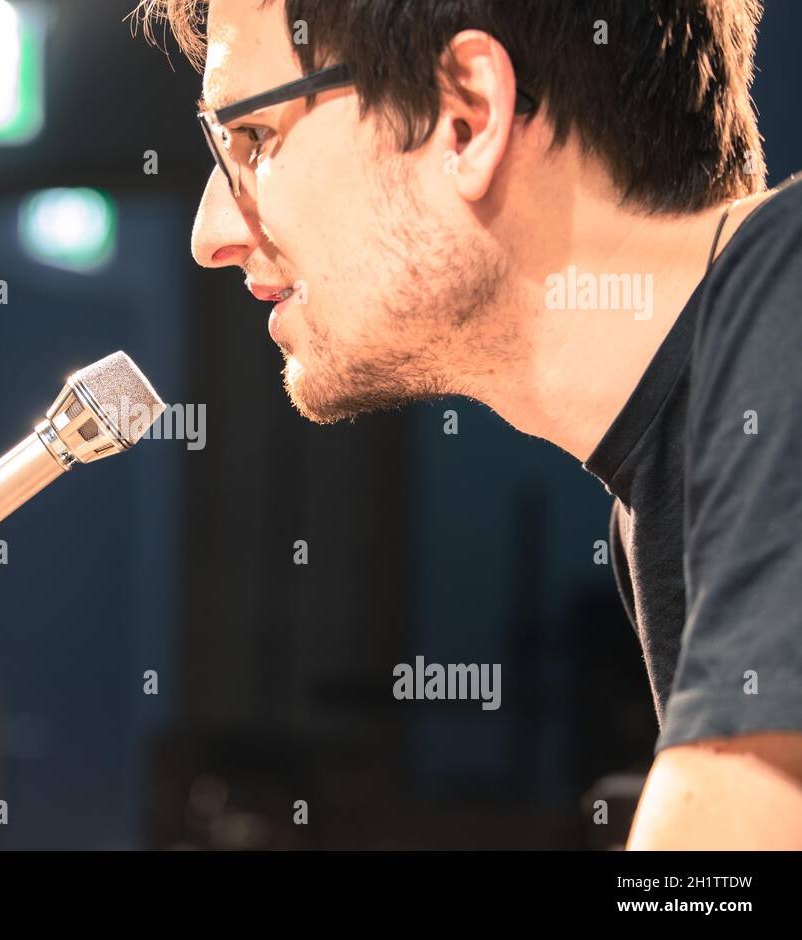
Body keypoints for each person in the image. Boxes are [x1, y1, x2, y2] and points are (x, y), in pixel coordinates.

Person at [133, 0, 802, 848]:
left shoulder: (790, 305)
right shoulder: (665, 485)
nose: (211, 233)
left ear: (467, 116)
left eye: (255, 138)